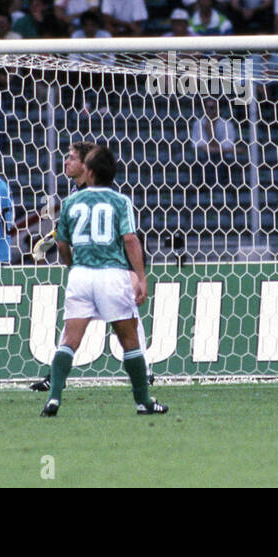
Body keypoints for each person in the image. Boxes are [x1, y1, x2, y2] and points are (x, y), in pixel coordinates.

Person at [41, 145, 166, 417]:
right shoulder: (120, 201)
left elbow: (62, 243)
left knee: (69, 340)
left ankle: (54, 399)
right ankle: (143, 400)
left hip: (81, 276)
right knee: (129, 341)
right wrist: (141, 277)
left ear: (90, 172)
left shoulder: (73, 202)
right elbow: (131, 240)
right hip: (112, 275)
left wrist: (72, 264)